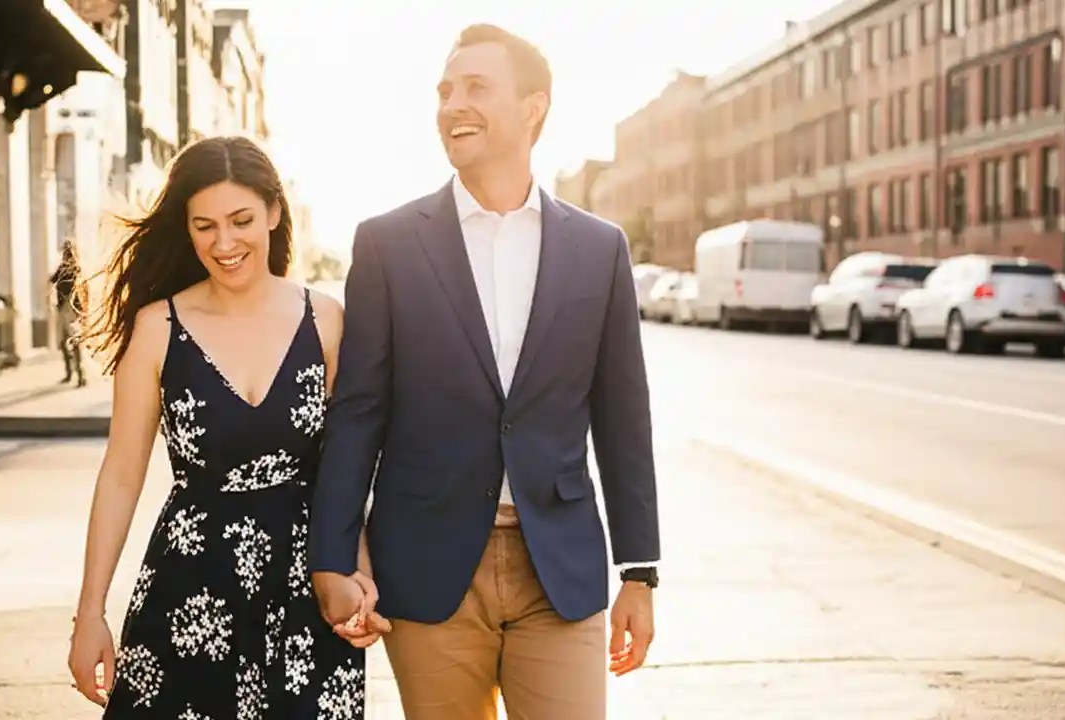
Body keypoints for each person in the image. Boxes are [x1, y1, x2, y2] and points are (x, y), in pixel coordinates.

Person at [308, 24, 660, 720]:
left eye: (475, 87)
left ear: (533, 108)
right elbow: (358, 412)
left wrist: (640, 571)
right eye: (445, 90)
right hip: (429, 566)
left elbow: (624, 417)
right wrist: (332, 558)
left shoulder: (599, 249)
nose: (451, 105)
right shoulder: (388, 244)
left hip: (557, 568)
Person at [67, 136, 380, 719]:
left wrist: (356, 571)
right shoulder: (159, 327)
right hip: (189, 590)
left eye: (241, 220)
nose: (225, 242)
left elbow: (346, 468)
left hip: (304, 592)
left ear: (274, 214)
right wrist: (90, 614)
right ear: (185, 229)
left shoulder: (327, 322)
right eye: (205, 226)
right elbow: (120, 476)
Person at [51, 239, 87, 386]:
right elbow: (52, 281)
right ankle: (72, 373)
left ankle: (79, 374)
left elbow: (83, 290)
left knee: (73, 341)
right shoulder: (63, 268)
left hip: (72, 309)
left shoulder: (76, 269)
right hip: (65, 308)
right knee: (65, 341)